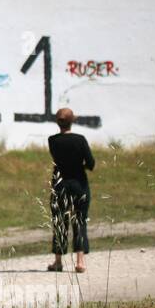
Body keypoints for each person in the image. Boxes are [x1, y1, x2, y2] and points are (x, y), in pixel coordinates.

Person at [47, 107, 95, 273]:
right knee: (79, 220)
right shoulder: (80, 140)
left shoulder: (52, 140)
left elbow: (57, 159)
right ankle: (80, 261)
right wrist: (80, 165)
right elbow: (91, 163)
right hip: (79, 183)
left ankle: (58, 261)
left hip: (59, 184)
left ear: (57, 122)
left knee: (60, 221)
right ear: (72, 121)